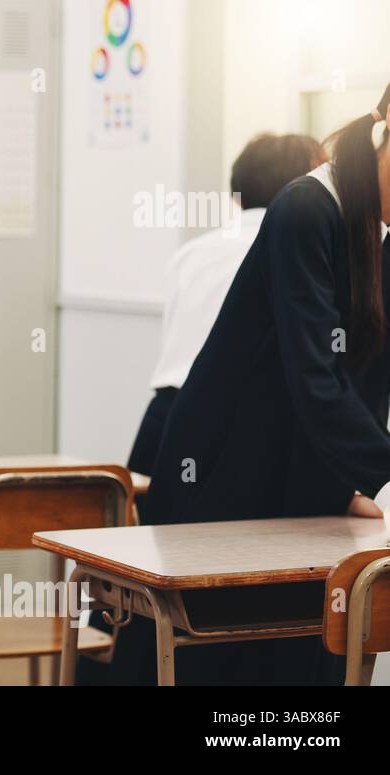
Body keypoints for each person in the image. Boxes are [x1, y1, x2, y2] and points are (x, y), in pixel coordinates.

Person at [112, 86, 390, 685]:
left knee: (309, 662)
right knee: (216, 663)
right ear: (384, 132)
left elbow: (367, 374)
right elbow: (315, 376)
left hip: (299, 476)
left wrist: (351, 481)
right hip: (219, 473)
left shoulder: (376, 226)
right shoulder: (307, 209)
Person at [127, 134, 325, 480]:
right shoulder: (299, 252)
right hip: (238, 430)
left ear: (237, 194)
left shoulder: (191, 253)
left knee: (148, 529)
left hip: (163, 419)